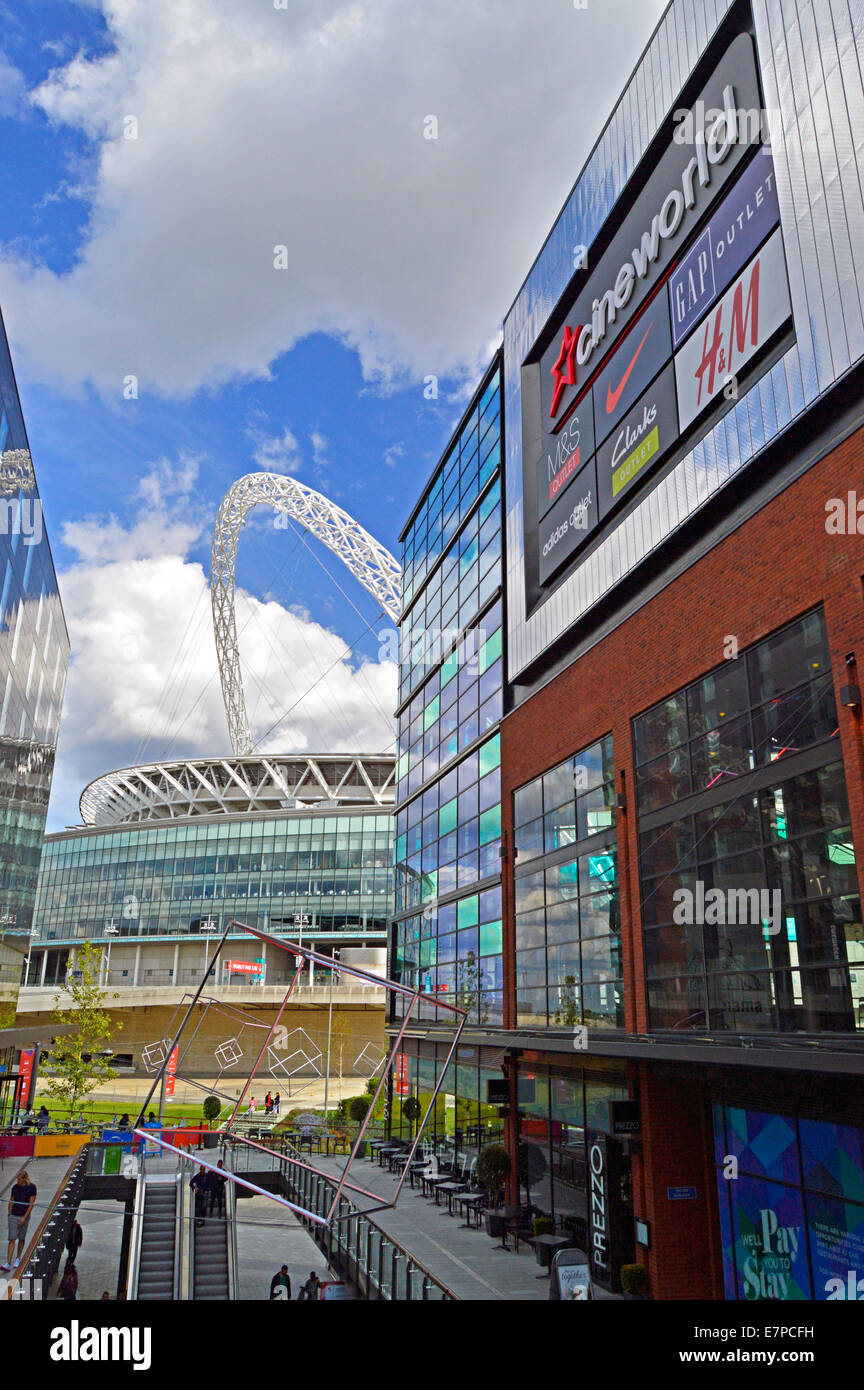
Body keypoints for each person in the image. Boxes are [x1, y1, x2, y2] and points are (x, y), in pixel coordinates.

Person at [2, 1170, 37, 1271]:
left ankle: (18, 1258)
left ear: (24, 1179)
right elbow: (12, 1200)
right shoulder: (15, 1187)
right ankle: (8, 1262)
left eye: (19, 1179)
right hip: (14, 1215)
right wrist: (9, 1212)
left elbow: (31, 1204)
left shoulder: (32, 1188)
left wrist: (24, 1217)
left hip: (23, 1216)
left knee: (21, 1238)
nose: (18, 1181)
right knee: (12, 1239)